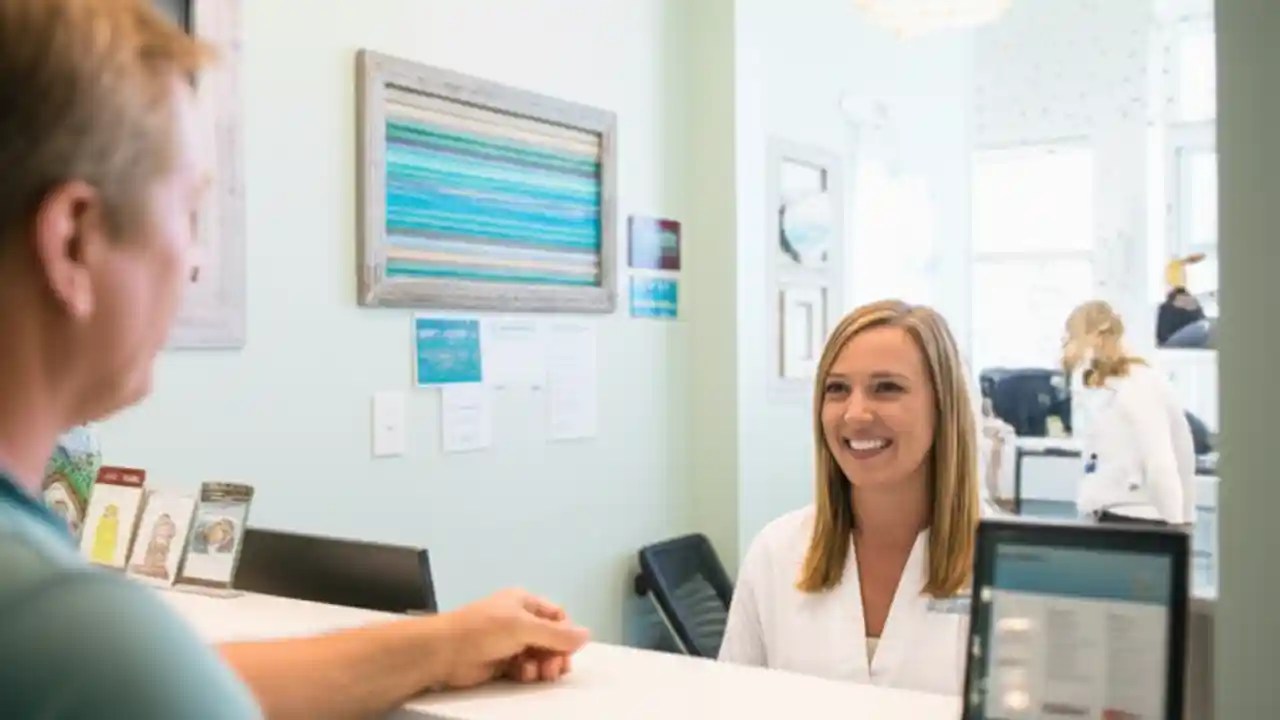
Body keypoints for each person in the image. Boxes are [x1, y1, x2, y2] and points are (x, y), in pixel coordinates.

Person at [0, 2, 587, 718]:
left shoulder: (63, 647)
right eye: (189, 212)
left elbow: (168, 679)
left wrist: (438, 646)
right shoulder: (60, 631)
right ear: (73, 242)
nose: (195, 260)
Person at [718, 300, 981, 695]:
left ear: (944, 407)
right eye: (837, 389)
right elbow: (731, 703)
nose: (855, 414)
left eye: (887, 388)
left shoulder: (1009, 568)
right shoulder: (777, 552)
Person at [1063, 301, 1196, 525]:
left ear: (1094, 338)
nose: (1066, 349)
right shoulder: (1112, 387)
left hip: (1140, 518)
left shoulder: (1138, 384)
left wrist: (1176, 530)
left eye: (1071, 338)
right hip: (1116, 513)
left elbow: (1160, 463)